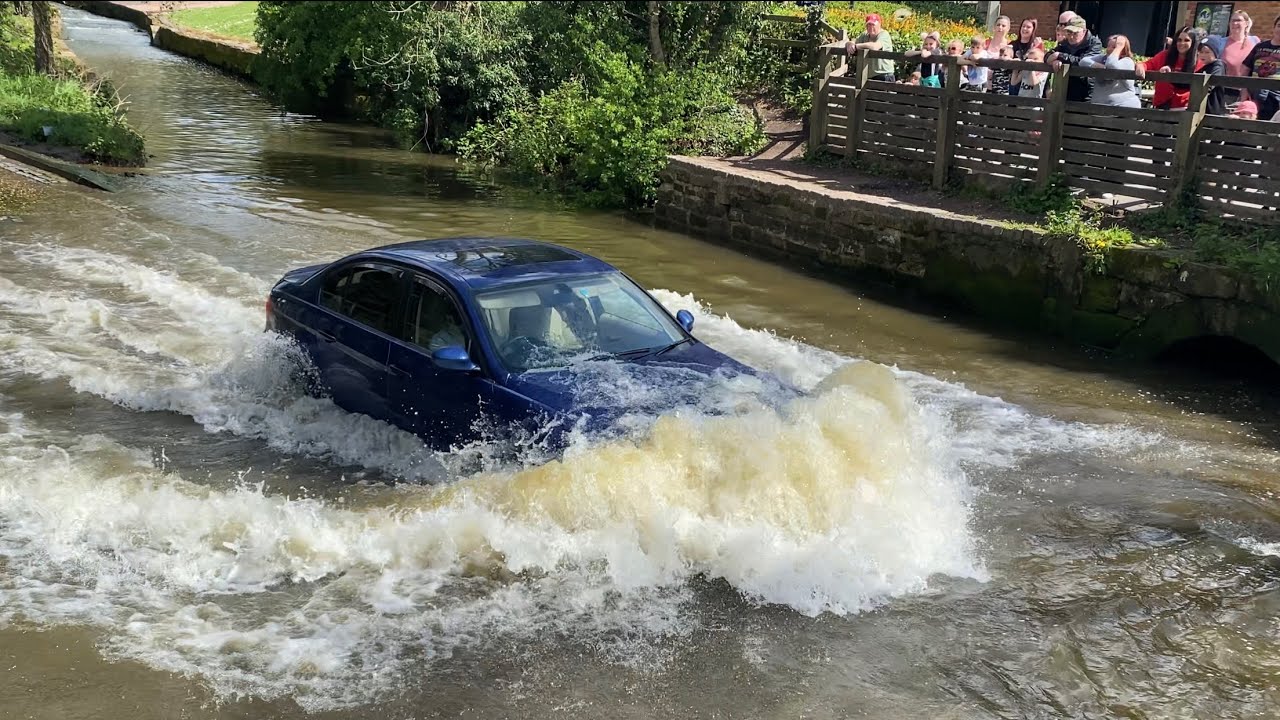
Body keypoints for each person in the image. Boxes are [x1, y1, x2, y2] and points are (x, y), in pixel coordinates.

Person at [1139, 27, 1202, 109]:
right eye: (1179, 40)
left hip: (1184, 107)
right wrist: (1140, 66)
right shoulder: (1164, 55)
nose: (1182, 43)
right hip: (1161, 105)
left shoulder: (1198, 60)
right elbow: (1147, 64)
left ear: (1193, 42)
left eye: (1186, 40)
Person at [1047, 16, 1103, 102]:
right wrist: (1055, 60)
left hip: (1086, 93)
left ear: (1084, 31)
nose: (1071, 36)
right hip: (1065, 90)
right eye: (1069, 32)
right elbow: (1048, 56)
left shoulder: (1094, 44)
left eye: (1075, 33)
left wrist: (1060, 56)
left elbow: (1084, 62)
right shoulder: (1065, 43)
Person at [1209, 11, 1260, 104]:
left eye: (1238, 20)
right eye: (1232, 20)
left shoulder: (1255, 41)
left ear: (1246, 23)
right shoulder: (1221, 42)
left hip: (1248, 92)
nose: (1235, 23)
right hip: (1225, 92)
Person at [1079, 35, 1141, 108]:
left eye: (1114, 47)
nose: (1109, 49)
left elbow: (1111, 65)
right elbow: (1083, 61)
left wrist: (1118, 48)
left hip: (1123, 106)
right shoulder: (1103, 58)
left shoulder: (1127, 61)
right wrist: (1095, 65)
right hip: (1100, 107)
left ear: (1123, 49)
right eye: (1108, 46)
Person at [1240, 15, 1280, 121]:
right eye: (1279, 26)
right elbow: (1245, 70)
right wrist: (1244, 93)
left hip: (1276, 99)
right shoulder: (1260, 46)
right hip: (1254, 96)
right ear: (1274, 28)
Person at [846, 13, 894, 82]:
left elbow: (875, 46)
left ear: (879, 24)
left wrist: (856, 46)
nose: (871, 27)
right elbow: (853, 41)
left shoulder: (884, 34)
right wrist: (850, 44)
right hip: (869, 76)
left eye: (873, 25)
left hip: (884, 75)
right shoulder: (865, 34)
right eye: (869, 25)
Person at [1010, 18, 1045, 96]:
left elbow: (1039, 60)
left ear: (1033, 30)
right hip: (1014, 80)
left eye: (1028, 27)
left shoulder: (1037, 45)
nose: (1025, 29)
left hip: (1029, 84)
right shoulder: (1013, 44)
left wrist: (1034, 47)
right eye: (1023, 26)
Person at [1197, 41, 1229, 115]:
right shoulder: (1204, 67)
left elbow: (1211, 83)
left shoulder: (1218, 66)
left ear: (1214, 53)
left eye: (1207, 52)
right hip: (1203, 107)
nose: (1203, 55)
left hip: (1213, 108)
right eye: (1201, 52)